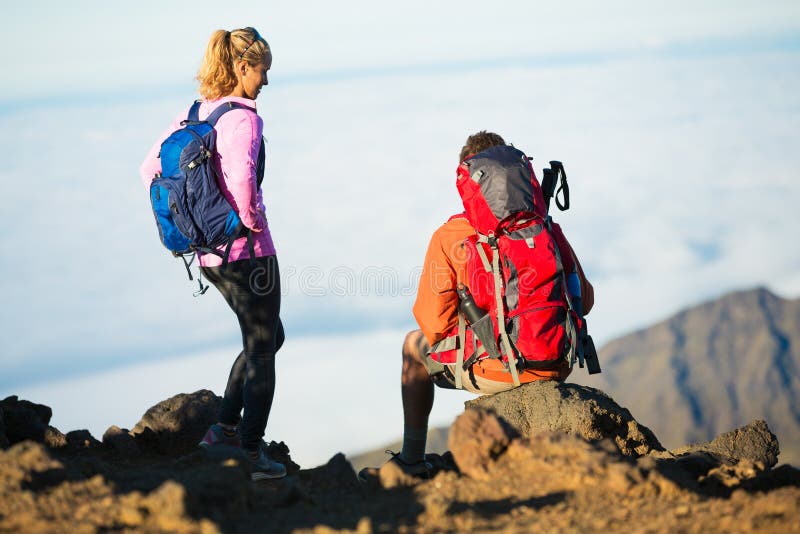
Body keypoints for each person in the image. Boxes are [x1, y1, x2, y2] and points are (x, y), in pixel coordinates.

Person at [369, 131, 594, 478]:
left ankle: (411, 461)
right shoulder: (546, 227)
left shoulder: (451, 236)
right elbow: (586, 301)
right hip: (557, 362)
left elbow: (435, 326)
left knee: (412, 346)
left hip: (503, 366)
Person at [139, 27, 286, 480]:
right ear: (243, 67)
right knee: (263, 349)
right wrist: (251, 219)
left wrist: (193, 225)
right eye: (263, 71)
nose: (265, 82)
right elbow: (242, 179)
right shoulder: (243, 118)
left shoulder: (191, 114)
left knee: (266, 337)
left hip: (208, 256)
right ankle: (250, 452)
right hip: (247, 254)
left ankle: (223, 428)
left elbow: (149, 169)